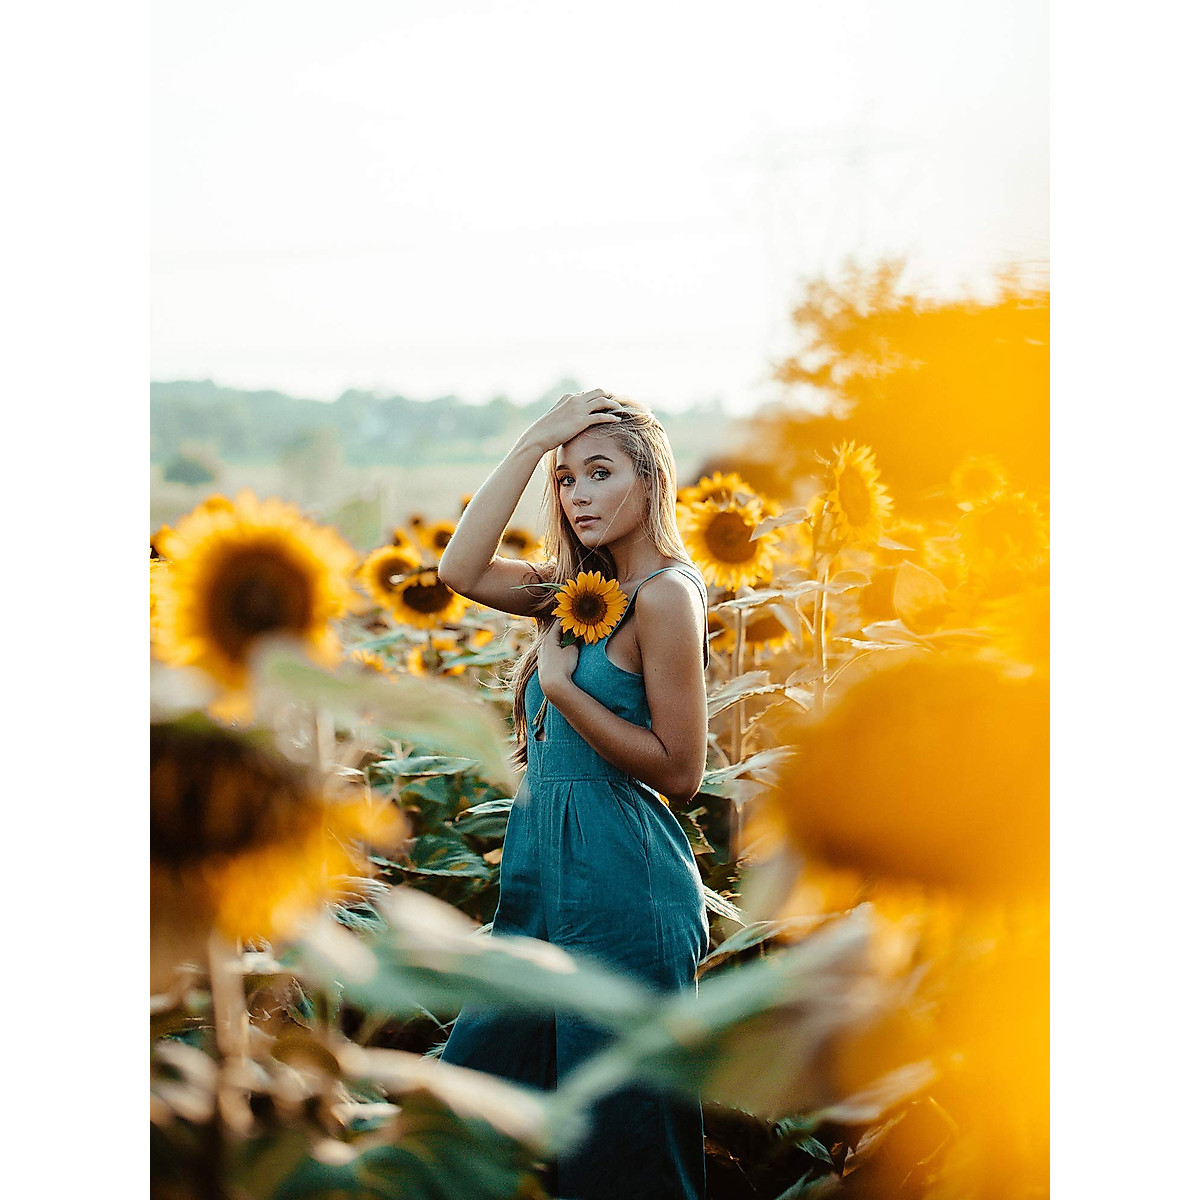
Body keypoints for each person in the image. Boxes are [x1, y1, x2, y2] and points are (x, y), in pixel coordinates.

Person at [435, 388, 711, 1200]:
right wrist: (532, 443)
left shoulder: (666, 595)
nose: (578, 495)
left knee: (624, 1152)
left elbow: (682, 772)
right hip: (540, 888)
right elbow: (459, 570)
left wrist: (565, 690)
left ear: (650, 479)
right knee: (465, 1116)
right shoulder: (574, 589)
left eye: (599, 472)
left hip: (625, 888)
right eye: (566, 480)